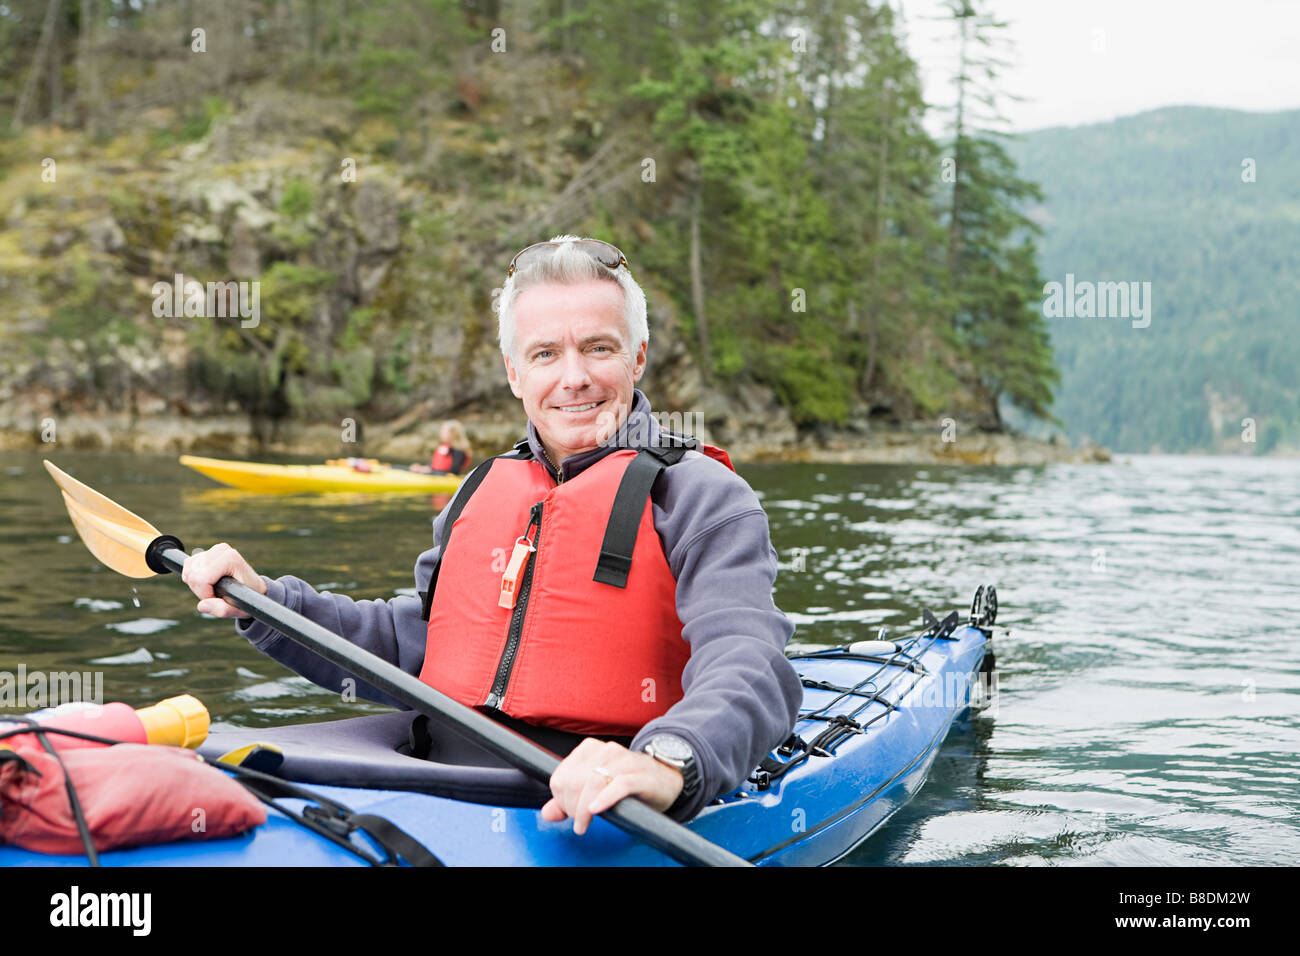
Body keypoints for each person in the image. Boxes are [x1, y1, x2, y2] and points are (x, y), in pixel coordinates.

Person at [182, 236, 801, 832]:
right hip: (432, 784)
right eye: (545, 354)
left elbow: (747, 659)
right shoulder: (478, 490)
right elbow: (415, 646)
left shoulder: (701, 496)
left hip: (597, 796)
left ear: (638, 356)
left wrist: (668, 763)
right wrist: (264, 600)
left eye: (599, 348)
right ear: (514, 372)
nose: (574, 376)